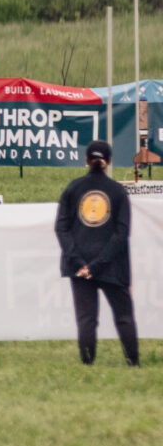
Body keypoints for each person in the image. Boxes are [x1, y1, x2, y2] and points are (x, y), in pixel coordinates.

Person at [56, 139, 138, 367]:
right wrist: (98, 264)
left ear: (86, 160)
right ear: (109, 162)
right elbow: (122, 234)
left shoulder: (72, 188)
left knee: (86, 319)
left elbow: (61, 228)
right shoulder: (118, 192)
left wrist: (80, 262)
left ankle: (87, 365)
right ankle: (133, 364)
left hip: (79, 266)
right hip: (112, 265)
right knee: (124, 317)